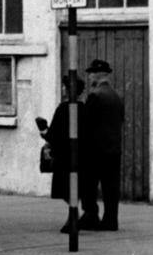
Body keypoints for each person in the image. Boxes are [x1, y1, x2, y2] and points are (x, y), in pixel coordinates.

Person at [80, 58, 125, 231]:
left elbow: (86, 123)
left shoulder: (95, 95)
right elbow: (120, 120)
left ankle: (91, 216)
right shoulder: (117, 96)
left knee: (89, 185)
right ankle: (111, 220)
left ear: (98, 75)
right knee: (111, 187)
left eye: (91, 73)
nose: (89, 76)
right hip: (114, 148)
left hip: (95, 149)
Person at [38, 72, 84, 233]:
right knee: (74, 188)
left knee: (65, 188)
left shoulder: (63, 108)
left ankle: (73, 216)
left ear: (68, 89)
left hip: (64, 156)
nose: (63, 89)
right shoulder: (83, 108)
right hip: (81, 155)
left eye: (65, 87)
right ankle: (73, 216)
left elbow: (53, 135)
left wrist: (43, 130)